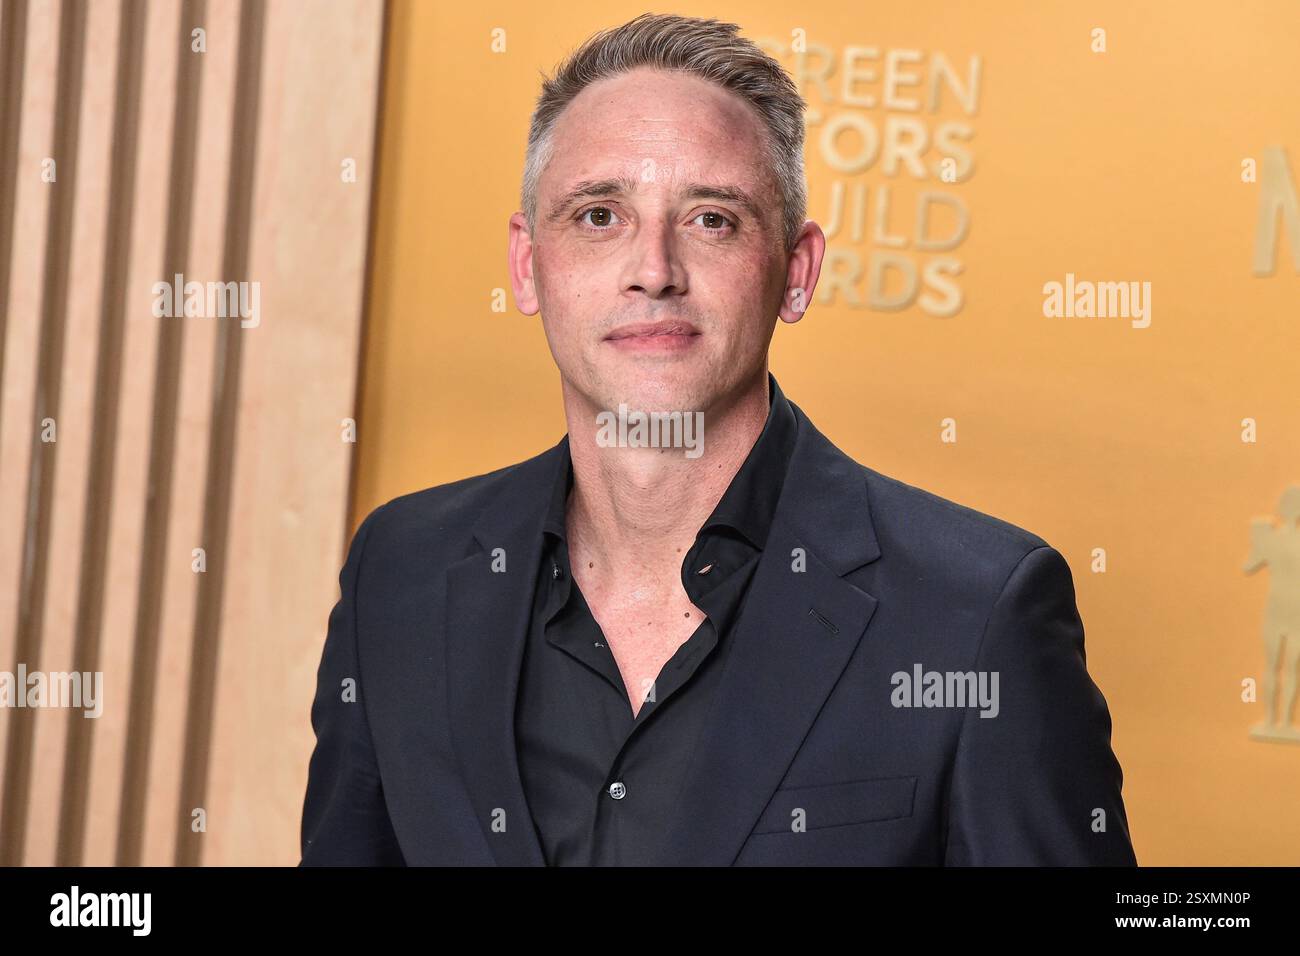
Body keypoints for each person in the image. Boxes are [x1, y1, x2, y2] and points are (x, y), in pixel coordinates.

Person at [300, 12, 1137, 866]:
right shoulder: (401, 573)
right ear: (527, 264)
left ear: (796, 272)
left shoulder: (975, 612)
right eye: (598, 215)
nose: (654, 268)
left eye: (711, 219)